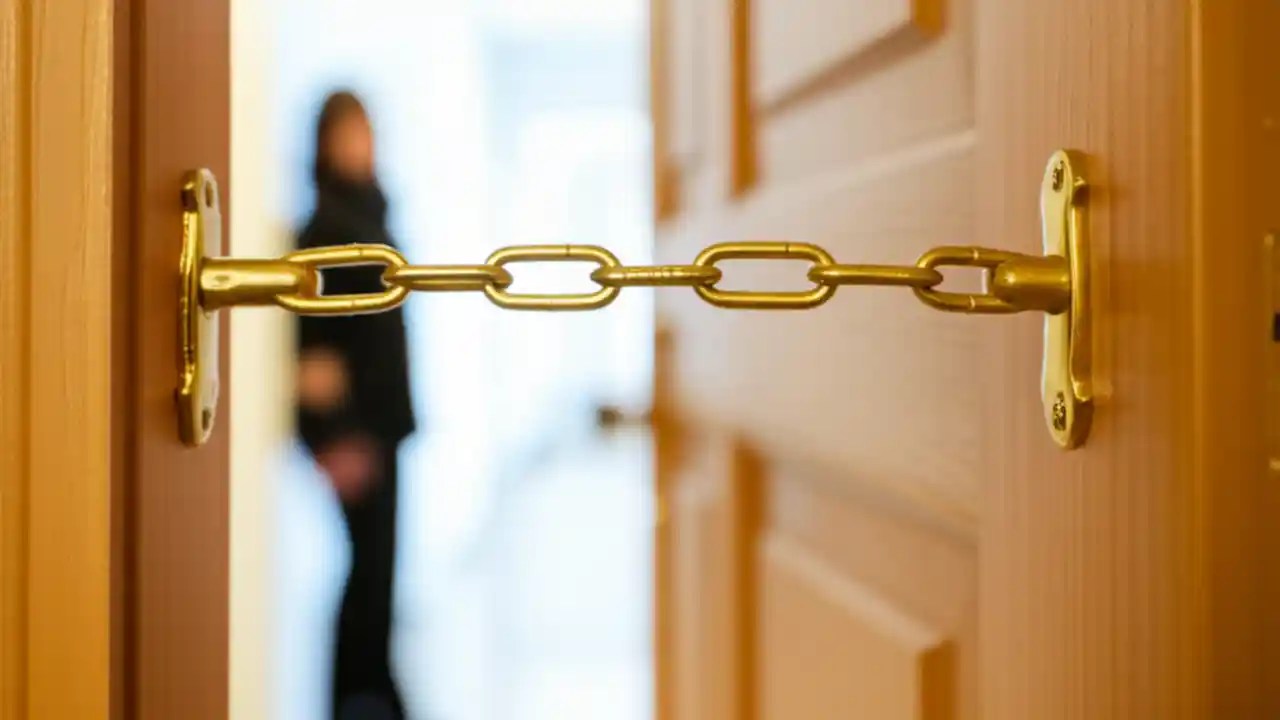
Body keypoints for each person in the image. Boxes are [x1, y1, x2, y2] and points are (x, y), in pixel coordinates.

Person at [295, 91, 415, 720]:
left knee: (380, 572)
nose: (360, 145)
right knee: (367, 574)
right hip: (356, 435)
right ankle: (360, 701)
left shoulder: (371, 213)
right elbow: (312, 353)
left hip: (385, 427)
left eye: (366, 131)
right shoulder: (324, 228)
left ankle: (375, 695)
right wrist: (333, 438)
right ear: (323, 143)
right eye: (348, 133)